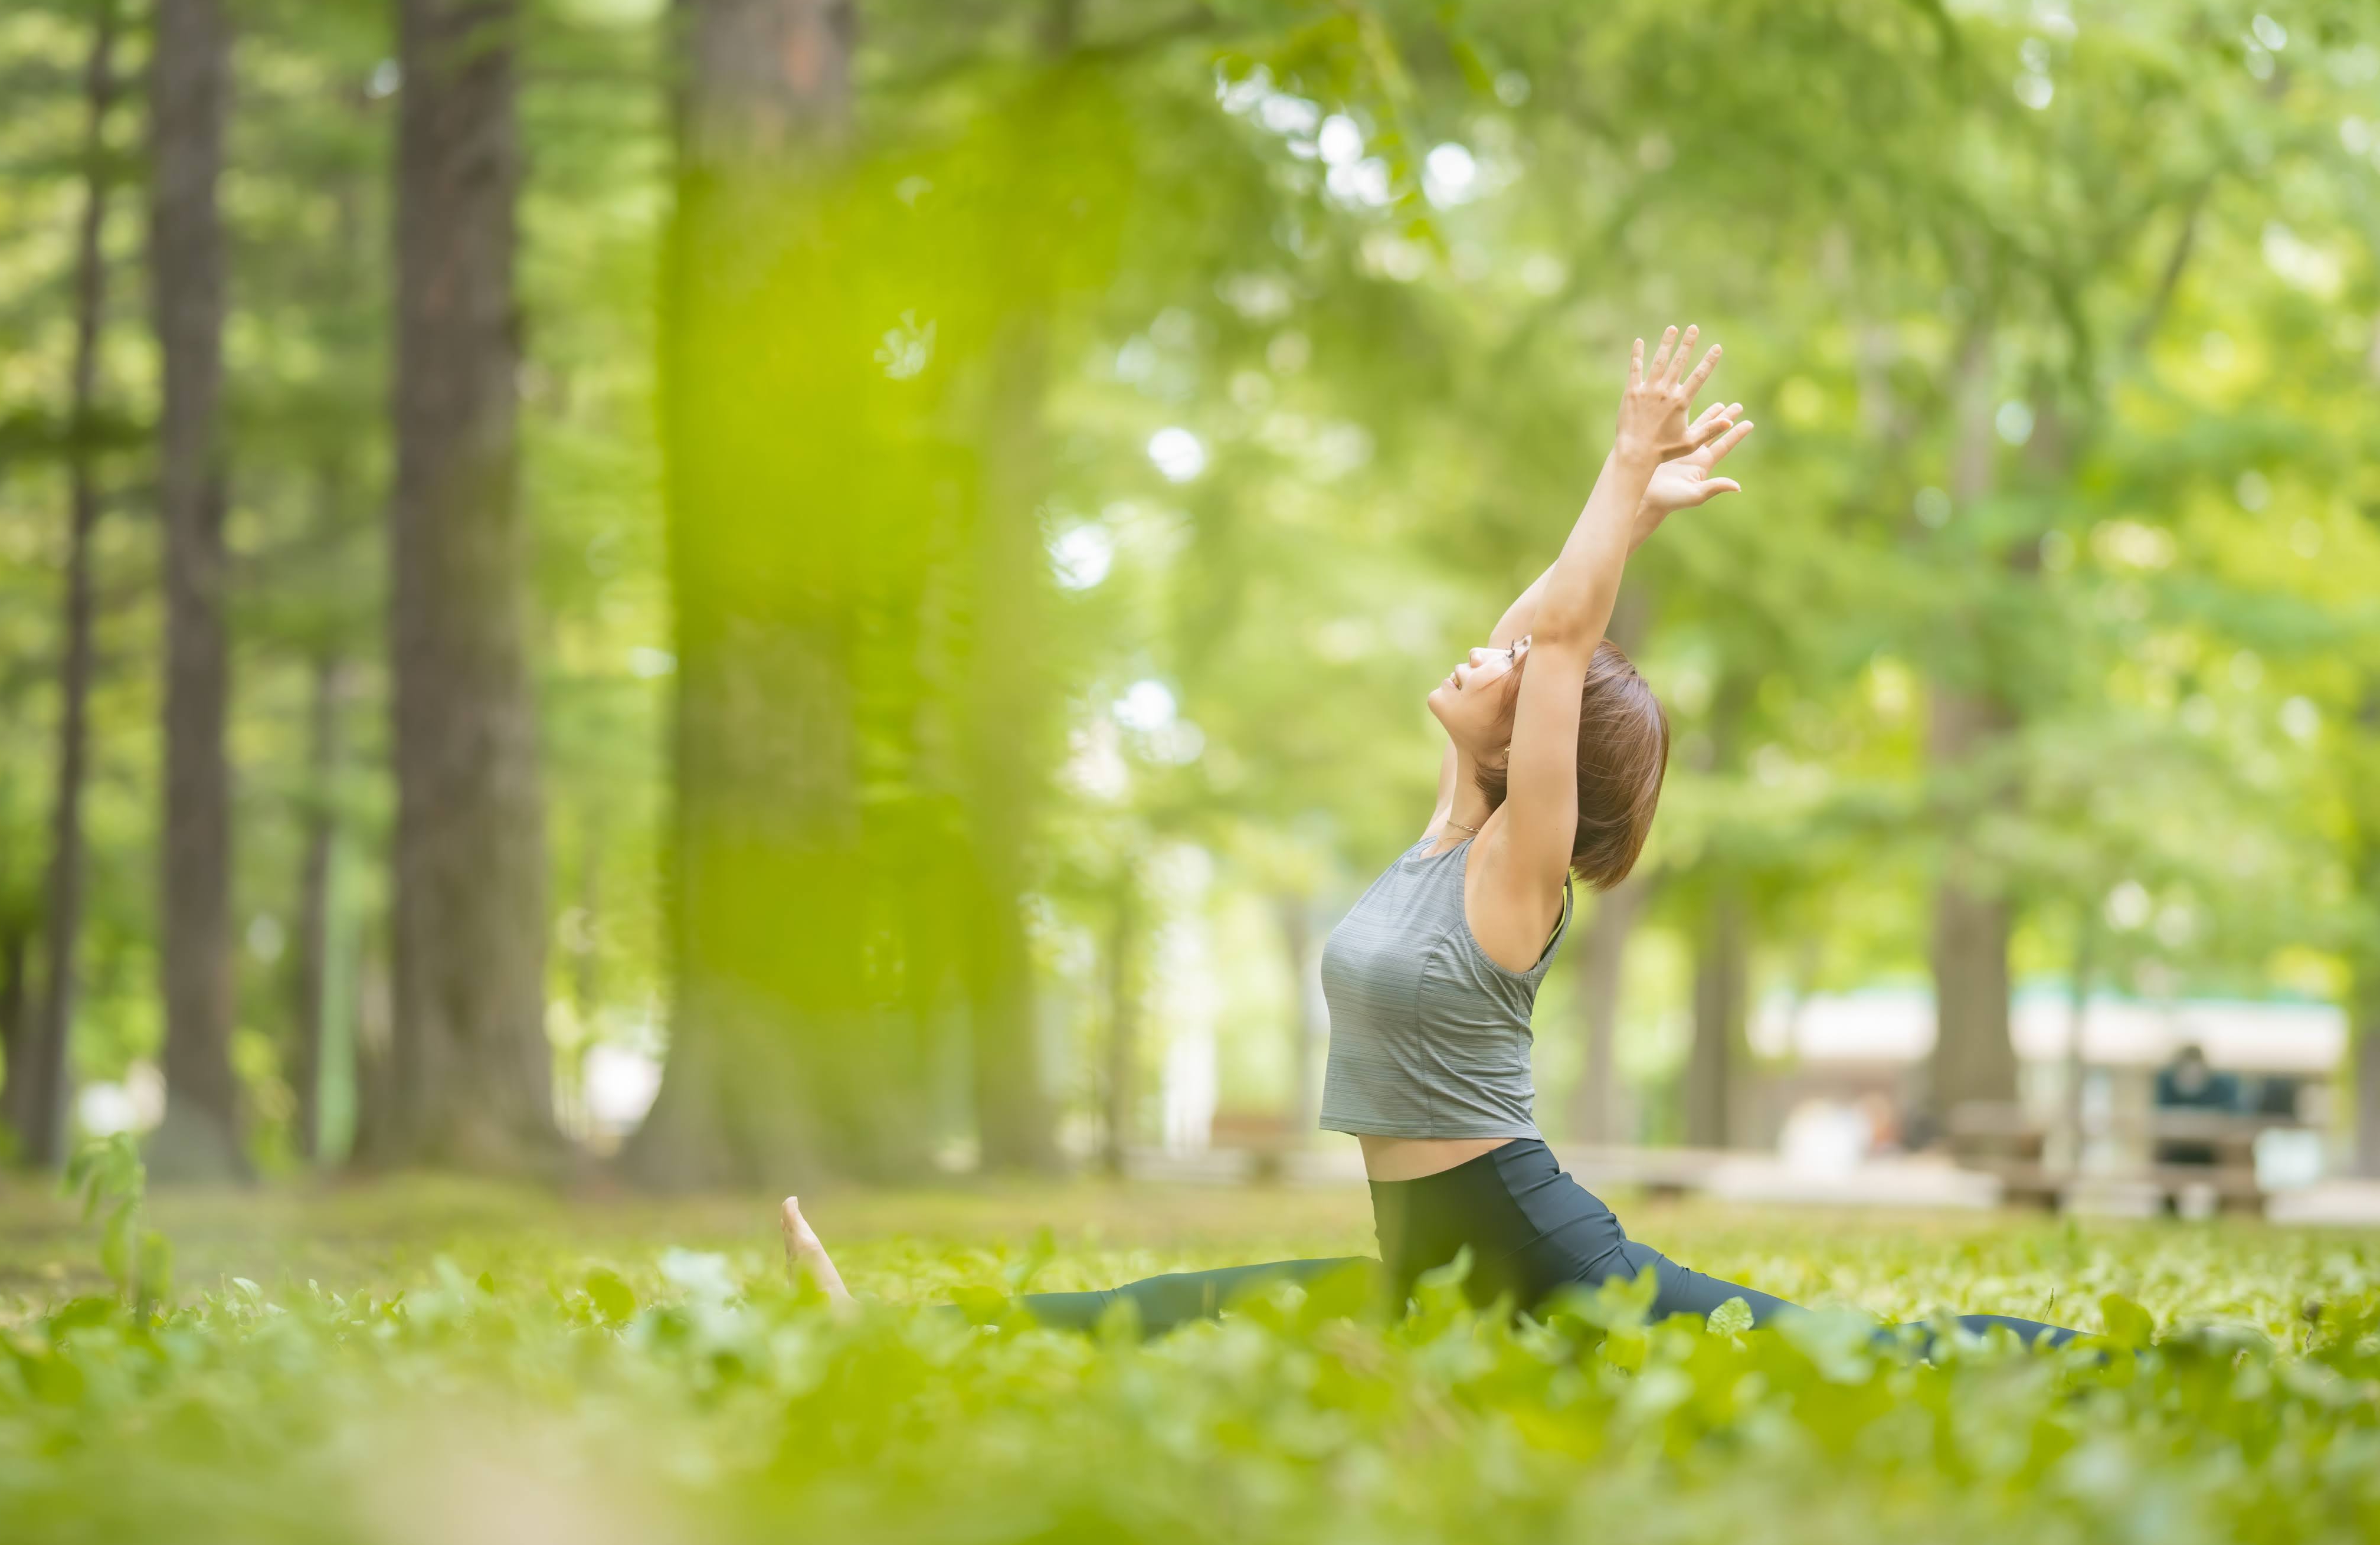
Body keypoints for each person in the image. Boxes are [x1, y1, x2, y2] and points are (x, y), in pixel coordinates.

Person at [785, 325, 2078, 1352]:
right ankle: (884, 1335)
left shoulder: (1518, 870)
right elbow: (1541, 630)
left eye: (1509, 676)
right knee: (1180, 1310)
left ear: (1536, 748)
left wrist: (1624, 469)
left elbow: (1561, 640)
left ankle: (2089, 1355)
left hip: (1544, 1260)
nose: (1487, 653)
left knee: (1838, 1349)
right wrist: (1631, 515)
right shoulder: (1439, 843)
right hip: (1429, 1270)